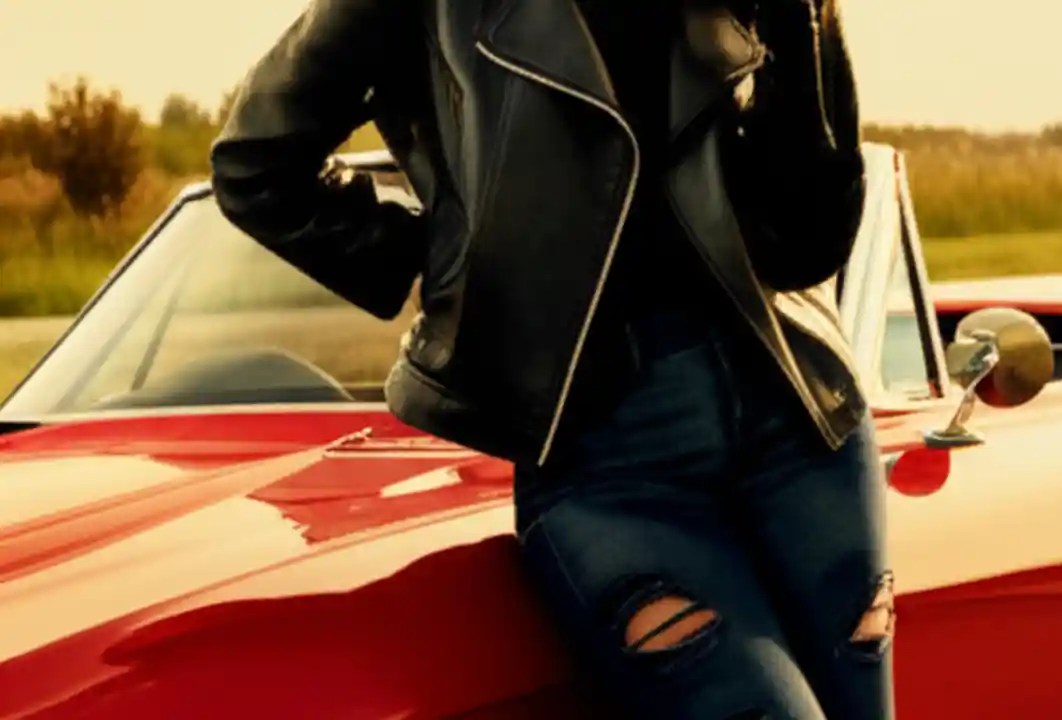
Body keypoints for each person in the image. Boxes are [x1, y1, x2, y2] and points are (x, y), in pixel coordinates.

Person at [211, 0, 892, 717]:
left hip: (802, 416)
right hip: (612, 450)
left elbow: (809, 239)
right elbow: (257, 163)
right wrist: (458, 265)